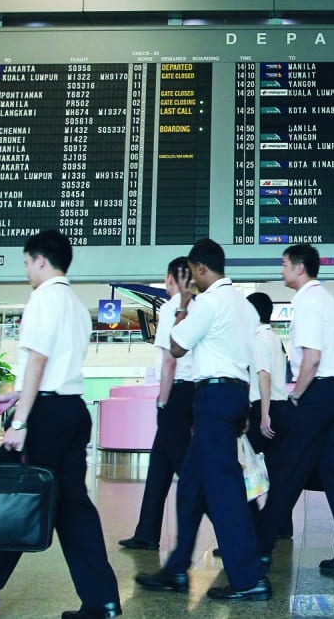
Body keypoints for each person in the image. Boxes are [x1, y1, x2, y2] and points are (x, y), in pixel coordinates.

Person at [0, 229, 121, 619]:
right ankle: (102, 600)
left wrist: (19, 420)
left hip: (46, 416)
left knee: (11, 499)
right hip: (72, 409)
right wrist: (18, 395)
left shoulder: (43, 298)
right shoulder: (73, 302)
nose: (26, 271)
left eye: (26, 263)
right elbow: (56, 365)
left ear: (40, 260)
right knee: (73, 510)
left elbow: (37, 360)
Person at [134, 239, 270, 601]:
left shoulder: (208, 304)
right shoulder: (244, 307)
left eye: (193, 272)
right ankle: (177, 568)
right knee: (191, 485)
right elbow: (248, 359)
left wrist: (182, 304)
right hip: (235, 394)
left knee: (224, 492)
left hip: (213, 397)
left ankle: (248, 578)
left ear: (200, 268)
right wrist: (244, 409)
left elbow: (177, 346)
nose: (192, 279)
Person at [257, 244, 334, 572]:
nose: (280, 270)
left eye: (283, 265)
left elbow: (311, 358)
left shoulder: (307, 302)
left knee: (287, 469)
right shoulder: (328, 300)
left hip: (316, 396)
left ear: (299, 268)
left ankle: (259, 547)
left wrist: (297, 395)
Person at [118, 257, 195, 551]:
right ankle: (147, 531)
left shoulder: (170, 308)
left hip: (175, 395)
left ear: (171, 279)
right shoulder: (199, 308)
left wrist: (163, 400)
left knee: (189, 471)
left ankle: (235, 531)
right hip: (194, 392)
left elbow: (168, 361)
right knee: (159, 465)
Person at [245, 291, 293, 539]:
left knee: (242, 469)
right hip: (281, 407)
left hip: (264, 409)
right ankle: (282, 528)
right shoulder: (275, 339)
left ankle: (250, 531)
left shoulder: (257, 339)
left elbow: (263, 376)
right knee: (278, 472)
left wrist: (264, 415)